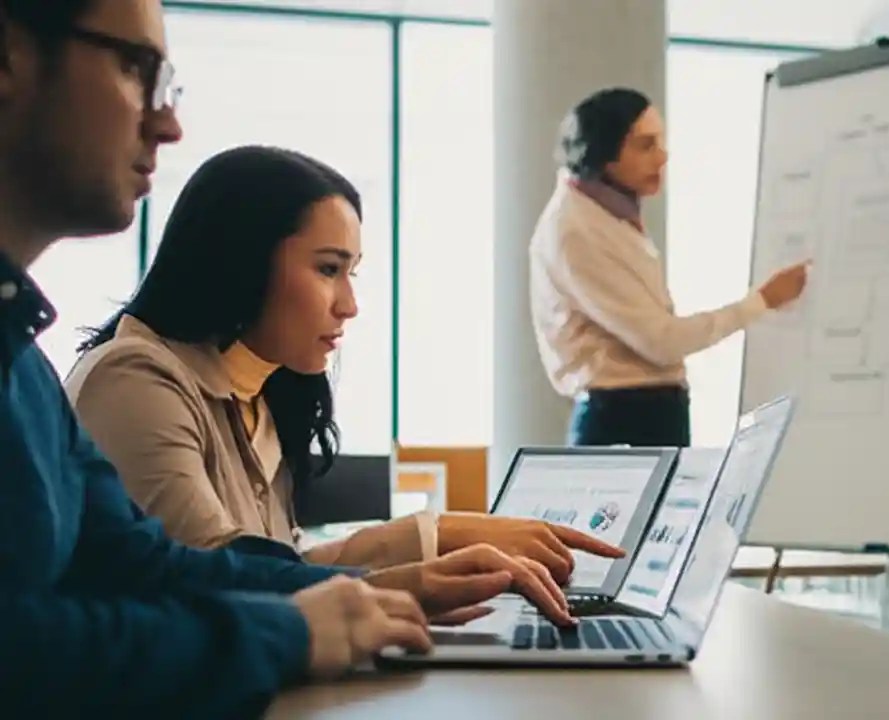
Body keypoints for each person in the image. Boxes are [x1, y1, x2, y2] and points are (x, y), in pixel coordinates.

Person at [0, 1, 566, 716]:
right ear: (10, 53)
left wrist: (390, 587)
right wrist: (292, 627)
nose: (168, 123)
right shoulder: (132, 378)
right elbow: (25, 645)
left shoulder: (24, 365)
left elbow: (149, 565)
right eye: (135, 68)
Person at [66, 144, 624, 588]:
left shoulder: (256, 396)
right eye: (329, 269)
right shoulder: (136, 380)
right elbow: (219, 576)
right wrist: (424, 572)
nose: (349, 305)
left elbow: (283, 562)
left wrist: (440, 538)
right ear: (241, 261)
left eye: (351, 272)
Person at [529, 87, 809, 448]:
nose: (662, 157)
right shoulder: (576, 229)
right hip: (623, 420)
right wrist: (760, 303)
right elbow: (661, 341)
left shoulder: (608, 215)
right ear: (604, 153)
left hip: (643, 413)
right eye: (646, 145)